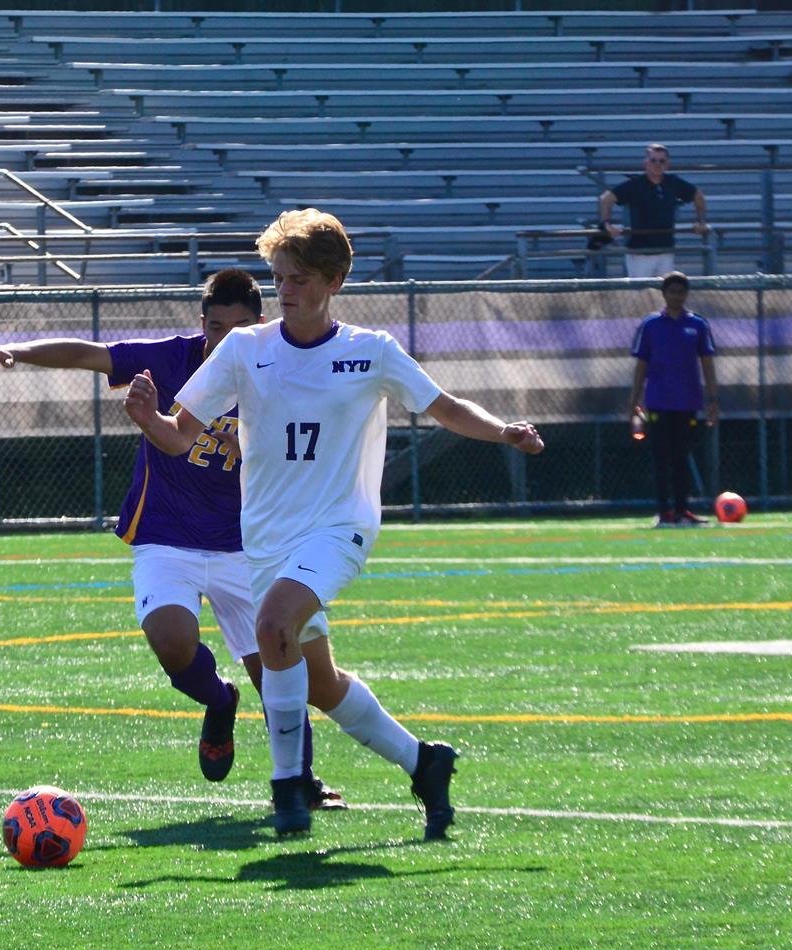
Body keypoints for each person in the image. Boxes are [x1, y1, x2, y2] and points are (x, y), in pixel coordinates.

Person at [124, 210, 545, 841]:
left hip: (339, 528)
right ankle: (424, 763)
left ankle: (288, 785)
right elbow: (180, 437)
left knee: (271, 626)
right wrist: (148, 419)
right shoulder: (245, 349)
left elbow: (443, 406)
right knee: (318, 683)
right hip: (268, 540)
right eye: (280, 277)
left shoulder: (371, 352)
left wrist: (503, 430)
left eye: (297, 279)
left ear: (334, 281)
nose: (285, 291)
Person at [0, 268, 344, 811]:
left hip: (247, 545)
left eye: (236, 327)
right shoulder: (169, 360)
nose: (221, 339)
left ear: (258, 324)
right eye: (213, 326)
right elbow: (91, 354)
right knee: (170, 642)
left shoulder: (278, 366)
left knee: (277, 669)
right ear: (201, 323)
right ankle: (217, 700)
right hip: (168, 536)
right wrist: (18, 350)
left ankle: (301, 779)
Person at [629, 271, 719, 528]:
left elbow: (708, 363)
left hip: (688, 401)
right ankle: (664, 512)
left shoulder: (698, 325)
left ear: (686, 294)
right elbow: (641, 365)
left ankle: (682, 511)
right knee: (661, 458)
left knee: (682, 457)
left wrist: (713, 399)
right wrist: (634, 400)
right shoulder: (651, 325)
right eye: (672, 292)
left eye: (680, 292)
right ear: (664, 294)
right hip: (658, 402)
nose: (676, 297)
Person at [598, 143, 709, 278]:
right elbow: (606, 199)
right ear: (646, 163)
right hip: (640, 253)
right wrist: (606, 224)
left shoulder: (673, 183)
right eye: (653, 160)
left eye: (662, 161)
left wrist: (701, 221)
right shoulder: (635, 184)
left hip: (665, 250)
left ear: (667, 164)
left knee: (665, 294)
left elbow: (698, 196)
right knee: (640, 295)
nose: (657, 164)